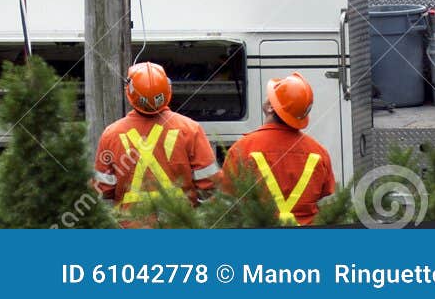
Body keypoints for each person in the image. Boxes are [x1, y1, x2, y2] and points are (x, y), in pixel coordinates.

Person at [93, 61, 219, 213]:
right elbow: (211, 184)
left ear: (129, 92)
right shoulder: (191, 129)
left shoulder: (112, 134)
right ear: (168, 90)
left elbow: (103, 189)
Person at [222, 71, 335, 225]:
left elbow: (227, 199)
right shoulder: (319, 153)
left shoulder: (242, 149)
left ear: (270, 107)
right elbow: (326, 196)